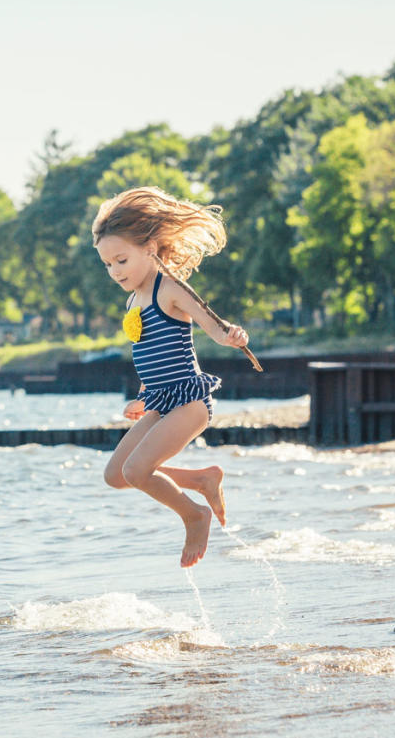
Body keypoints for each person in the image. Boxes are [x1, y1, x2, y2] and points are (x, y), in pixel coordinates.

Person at [92, 186, 250, 568]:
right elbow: (149, 354)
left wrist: (232, 336)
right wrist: (143, 396)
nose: (115, 271)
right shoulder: (134, 300)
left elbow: (213, 327)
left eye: (121, 260)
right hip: (161, 402)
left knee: (136, 470)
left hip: (189, 402)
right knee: (116, 475)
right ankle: (201, 479)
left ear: (149, 248)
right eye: (108, 265)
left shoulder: (170, 289)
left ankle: (194, 515)